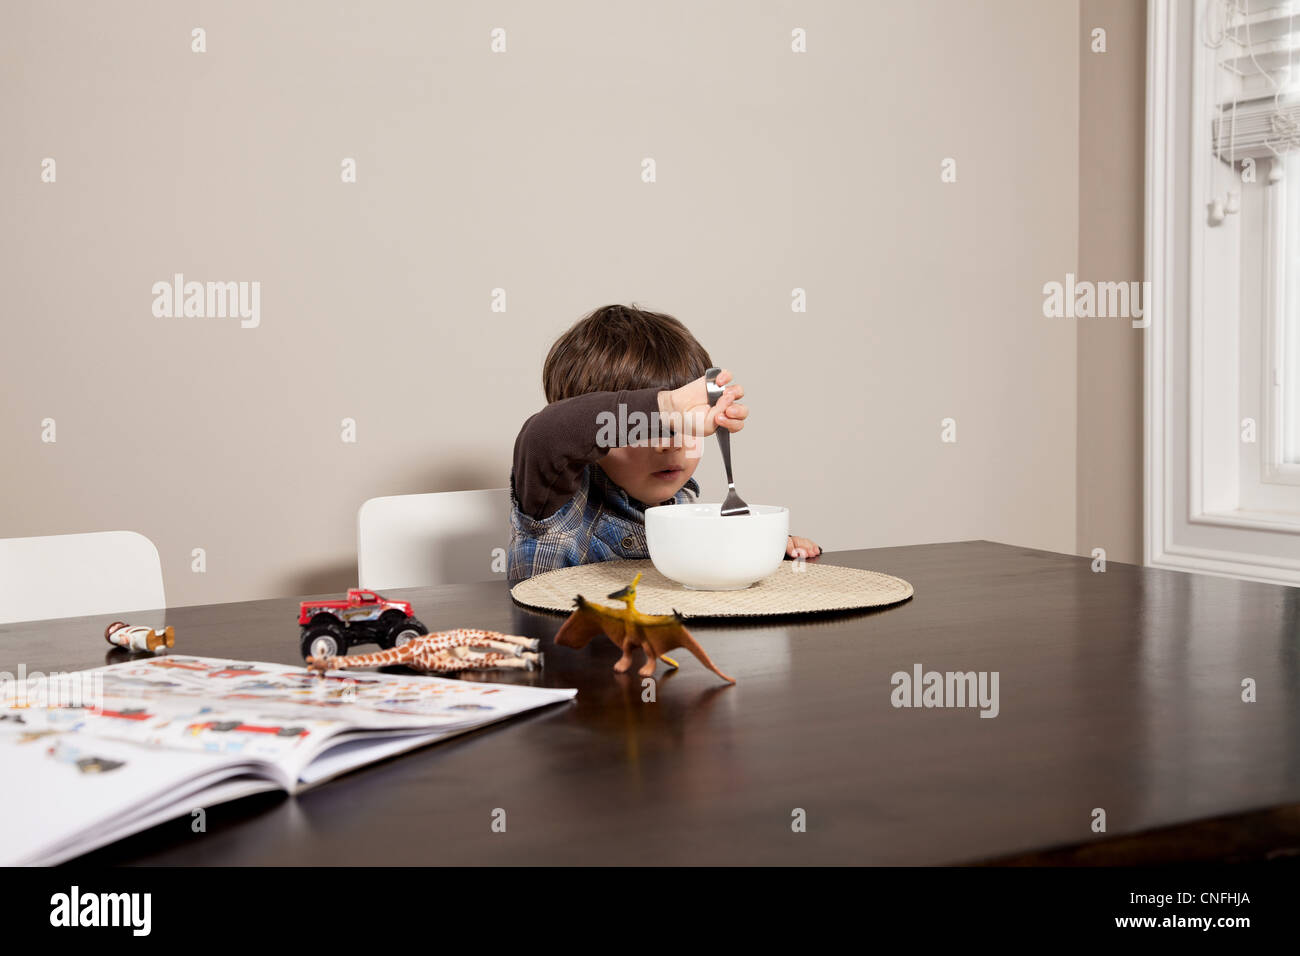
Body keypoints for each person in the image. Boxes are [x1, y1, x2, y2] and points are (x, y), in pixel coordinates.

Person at [508, 303, 820, 585]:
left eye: (687, 425)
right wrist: (667, 407)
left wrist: (765, 545)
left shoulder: (680, 503)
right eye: (644, 428)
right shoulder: (560, 501)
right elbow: (547, 433)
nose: (671, 445)